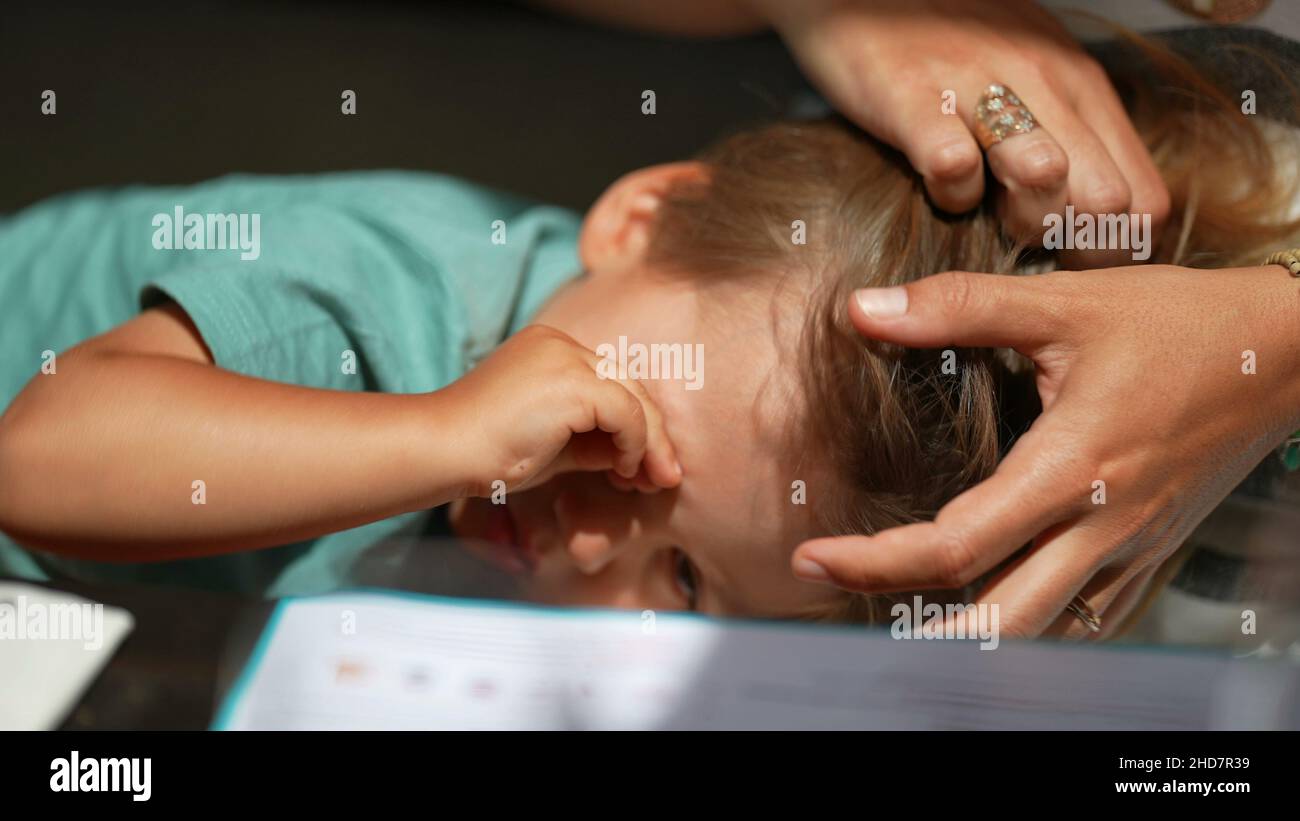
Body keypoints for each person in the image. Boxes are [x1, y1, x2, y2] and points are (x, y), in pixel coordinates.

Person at [2, 20, 1296, 632]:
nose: (594, 555)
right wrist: (447, 433)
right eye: (608, 438)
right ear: (641, 215)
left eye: (686, 583)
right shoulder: (384, 297)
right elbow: (39, 458)